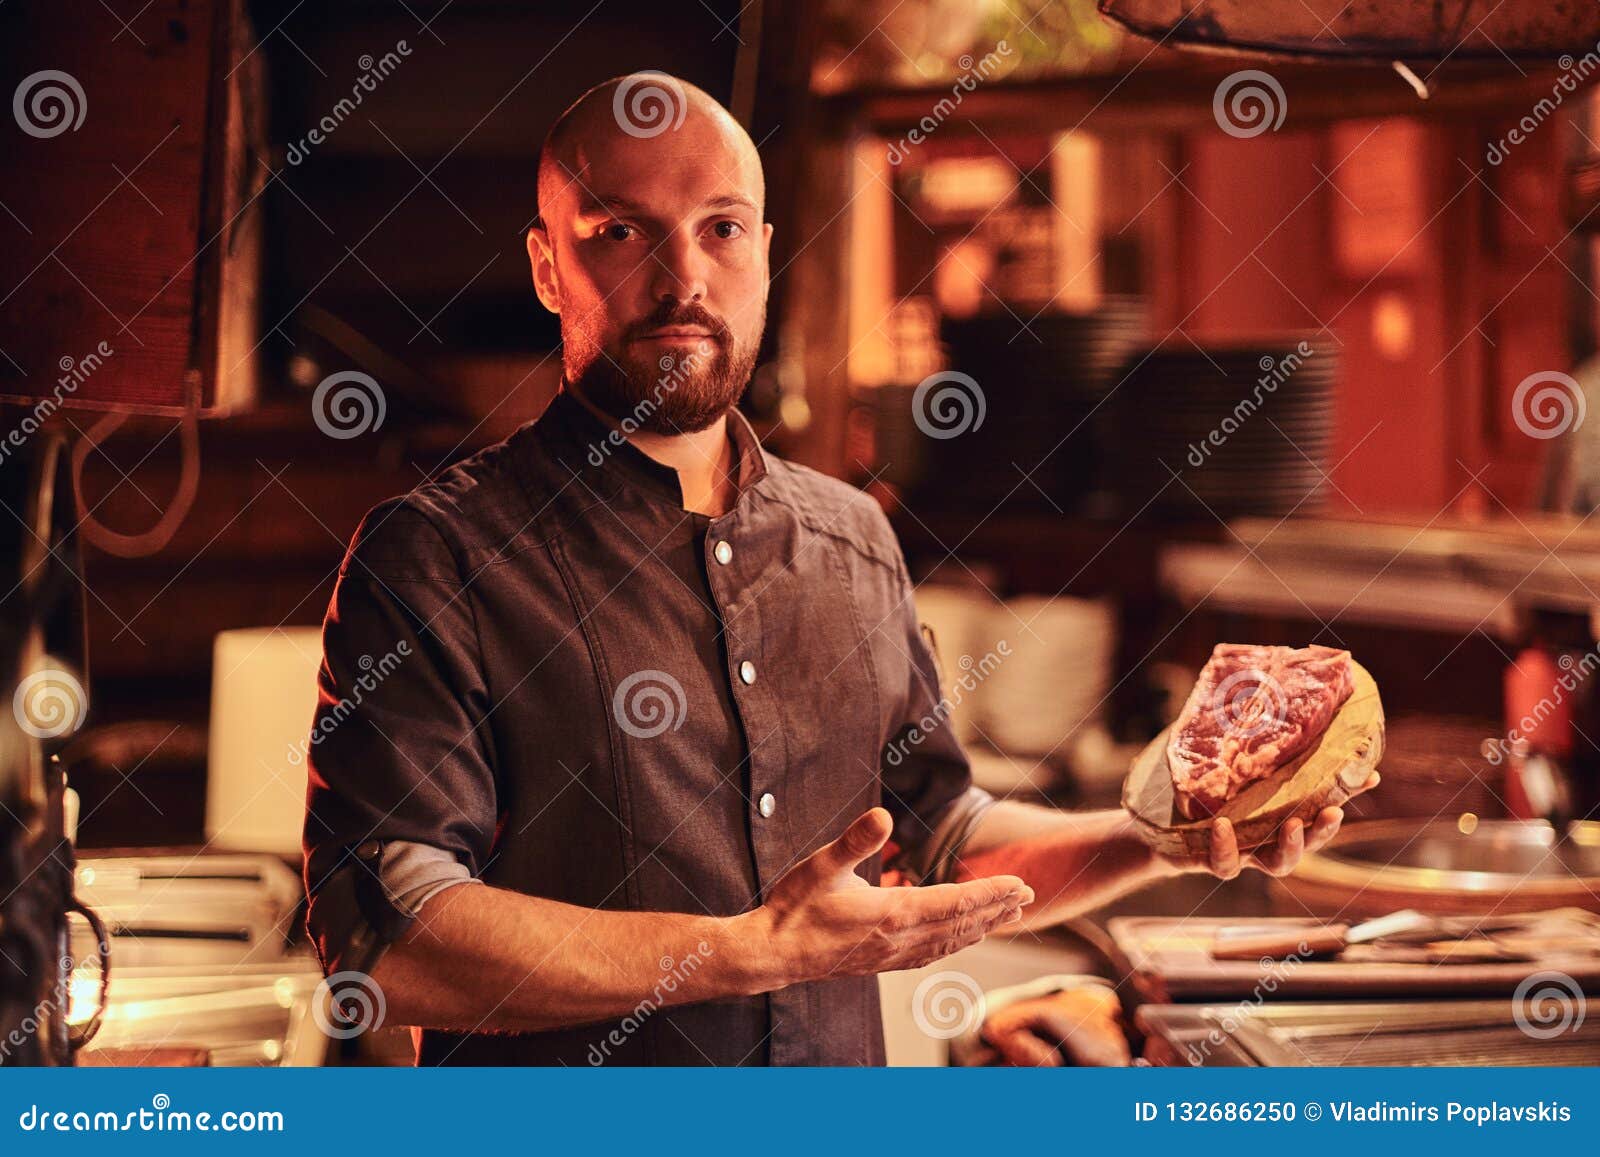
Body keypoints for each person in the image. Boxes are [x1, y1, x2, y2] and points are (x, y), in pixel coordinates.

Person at [301, 72, 1374, 1066]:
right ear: (548, 265)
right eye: (623, 231)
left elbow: (942, 834)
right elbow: (391, 934)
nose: (685, 278)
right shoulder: (435, 554)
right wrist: (751, 950)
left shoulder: (851, 536)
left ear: (763, 251)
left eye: (721, 230)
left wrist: (1160, 836)